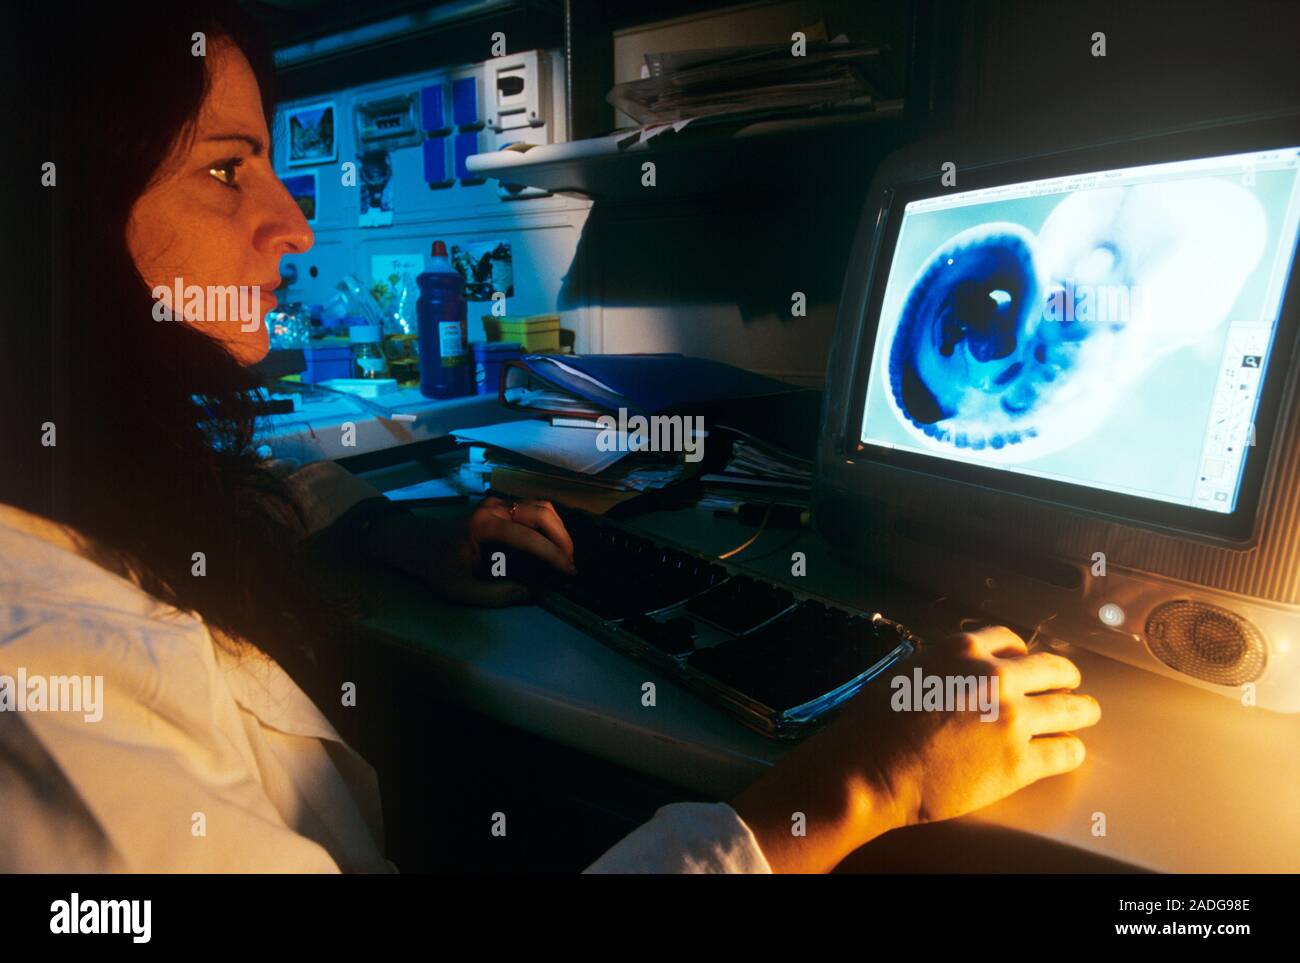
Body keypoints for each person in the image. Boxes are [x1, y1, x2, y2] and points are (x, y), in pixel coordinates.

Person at [0, 0, 1099, 873]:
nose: (291, 224)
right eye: (226, 167)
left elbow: (239, 497)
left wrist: (391, 535)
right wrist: (858, 791)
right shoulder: (42, 692)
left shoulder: (66, 473)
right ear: (49, 214)